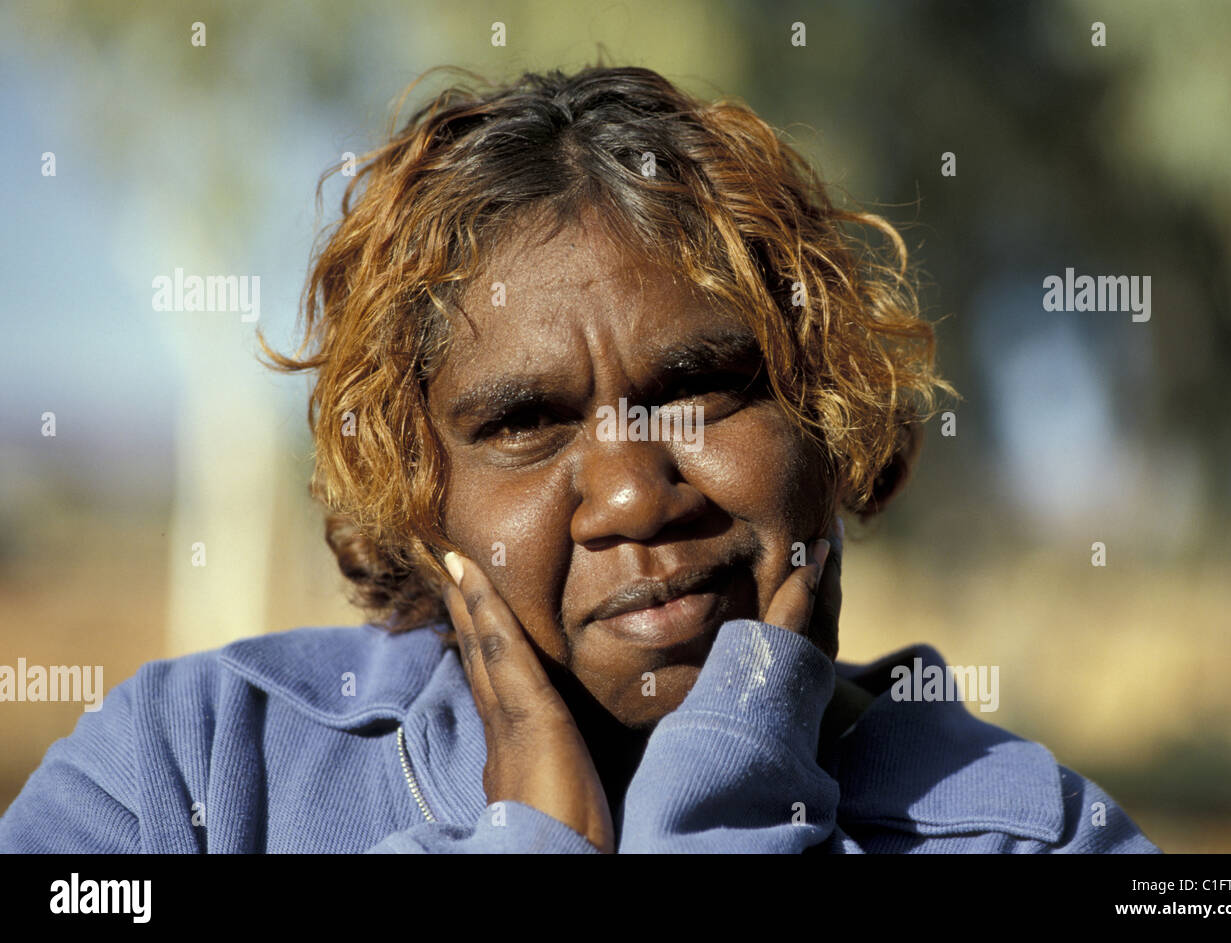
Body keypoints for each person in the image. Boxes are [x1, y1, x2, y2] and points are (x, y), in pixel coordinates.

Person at [0, 65, 1159, 853]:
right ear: (415, 491)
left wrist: (730, 805)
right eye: (523, 423)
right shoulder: (189, 778)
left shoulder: (1018, 830)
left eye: (700, 386)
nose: (630, 494)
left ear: (829, 410)